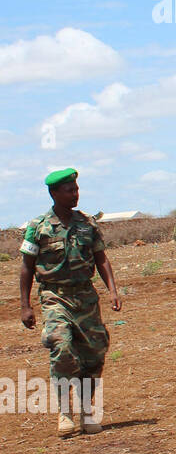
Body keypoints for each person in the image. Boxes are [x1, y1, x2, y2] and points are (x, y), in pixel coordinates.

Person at [17, 168, 121, 437]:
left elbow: (101, 258)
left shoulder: (87, 223)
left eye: (76, 189)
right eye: (69, 190)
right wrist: (25, 305)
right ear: (54, 193)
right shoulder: (37, 227)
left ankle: (87, 411)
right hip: (54, 296)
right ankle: (65, 412)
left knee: (94, 354)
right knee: (61, 346)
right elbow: (27, 266)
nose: (75, 194)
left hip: (85, 297)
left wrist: (113, 291)